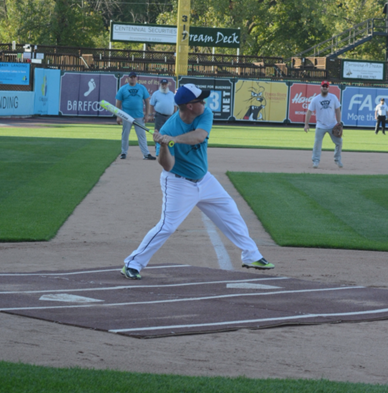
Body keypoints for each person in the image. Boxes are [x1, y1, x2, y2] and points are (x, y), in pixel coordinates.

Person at [120, 84, 274, 280]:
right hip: (178, 183)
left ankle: (252, 255)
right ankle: (132, 263)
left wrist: (173, 139)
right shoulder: (169, 128)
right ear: (190, 106)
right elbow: (167, 166)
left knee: (230, 210)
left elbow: (199, 136)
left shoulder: (203, 114)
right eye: (200, 100)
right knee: (167, 226)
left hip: (204, 179)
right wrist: (164, 146)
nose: (205, 103)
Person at [304, 81, 343, 168]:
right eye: (323, 86)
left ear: (329, 88)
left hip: (332, 125)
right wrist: (306, 124)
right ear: (320, 87)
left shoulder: (333, 97)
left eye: (326, 86)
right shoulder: (316, 99)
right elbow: (309, 111)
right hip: (320, 125)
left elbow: (337, 110)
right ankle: (316, 161)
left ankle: (337, 159)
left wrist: (338, 123)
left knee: (339, 142)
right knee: (317, 143)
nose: (325, 87)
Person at [115, 71, 153, 160]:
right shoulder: (123, 88)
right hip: (126, 116)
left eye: (134, 77)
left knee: (142, 135)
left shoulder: (142, 88)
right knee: (125, 135)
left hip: (139, 116)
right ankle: (123, 152)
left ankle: (146, 154)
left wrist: (147, 114)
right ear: (128, 78)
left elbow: (147, 101)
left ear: (136, 78)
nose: (133, 78)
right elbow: (118, 102)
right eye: (131, 77)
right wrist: (118, 115)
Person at [148, 79, 177, 158]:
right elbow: (151, 104)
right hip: (159, 116)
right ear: (160, 85)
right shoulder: (156, 94)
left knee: (169, 133)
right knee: (158, 132)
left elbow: (175, 106)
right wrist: (150, 114)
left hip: (170, 116)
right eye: (162, 84)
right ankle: (157, 151)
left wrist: (175, 116)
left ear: (168, 85)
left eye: (165, 84)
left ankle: (168, 151)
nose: (164, 86)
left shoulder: (171, 94)